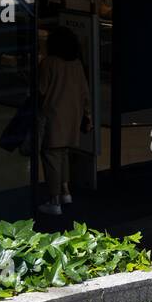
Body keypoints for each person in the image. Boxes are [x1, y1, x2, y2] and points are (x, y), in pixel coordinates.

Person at [36, 24, 92, 216]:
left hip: (53, 117)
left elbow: (40, 91)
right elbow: (85, 93)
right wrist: (87, 115)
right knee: (63, 155)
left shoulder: (49, 63)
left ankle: (54, 200)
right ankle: (65, 191)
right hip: (72, 117)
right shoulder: (76, 64)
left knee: (51, 157)